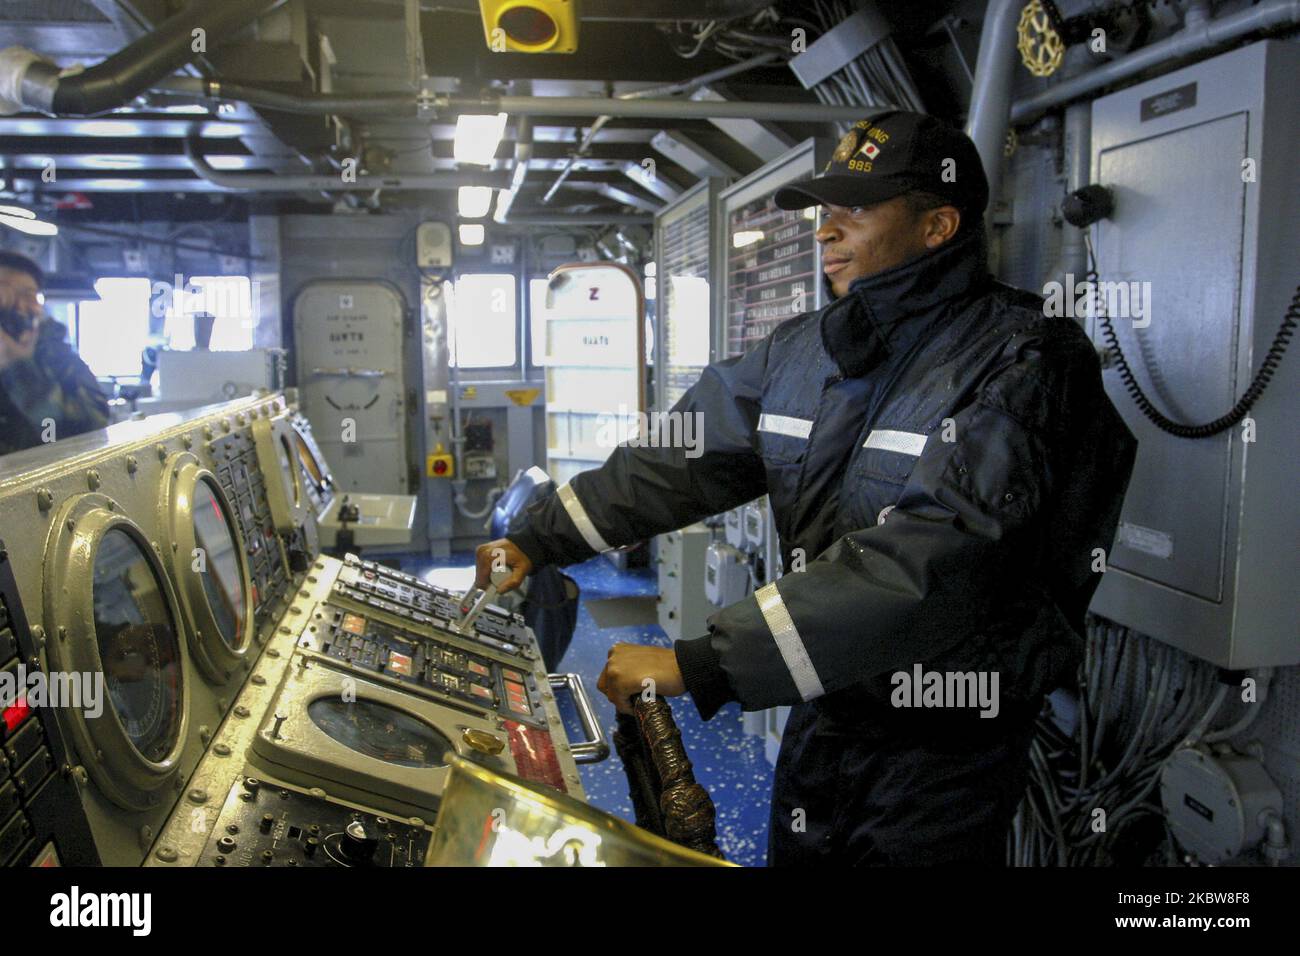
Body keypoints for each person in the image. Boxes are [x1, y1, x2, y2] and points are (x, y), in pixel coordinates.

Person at [474, 110, 1137, 865]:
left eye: (855, 210)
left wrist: (703, 663)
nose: (825, 231)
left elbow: (931, 562)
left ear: (938, 224)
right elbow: (682, 456)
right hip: (829, 708)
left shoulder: (1026, 361)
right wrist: (538, 538)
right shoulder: (808, 351)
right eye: (826, 212)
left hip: (947, 744)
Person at [0, 250, 110, 457]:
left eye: (28, 294)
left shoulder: (55, 355)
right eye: (6, 295)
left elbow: (94, 431)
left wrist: (19, 369)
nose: (19, 306)